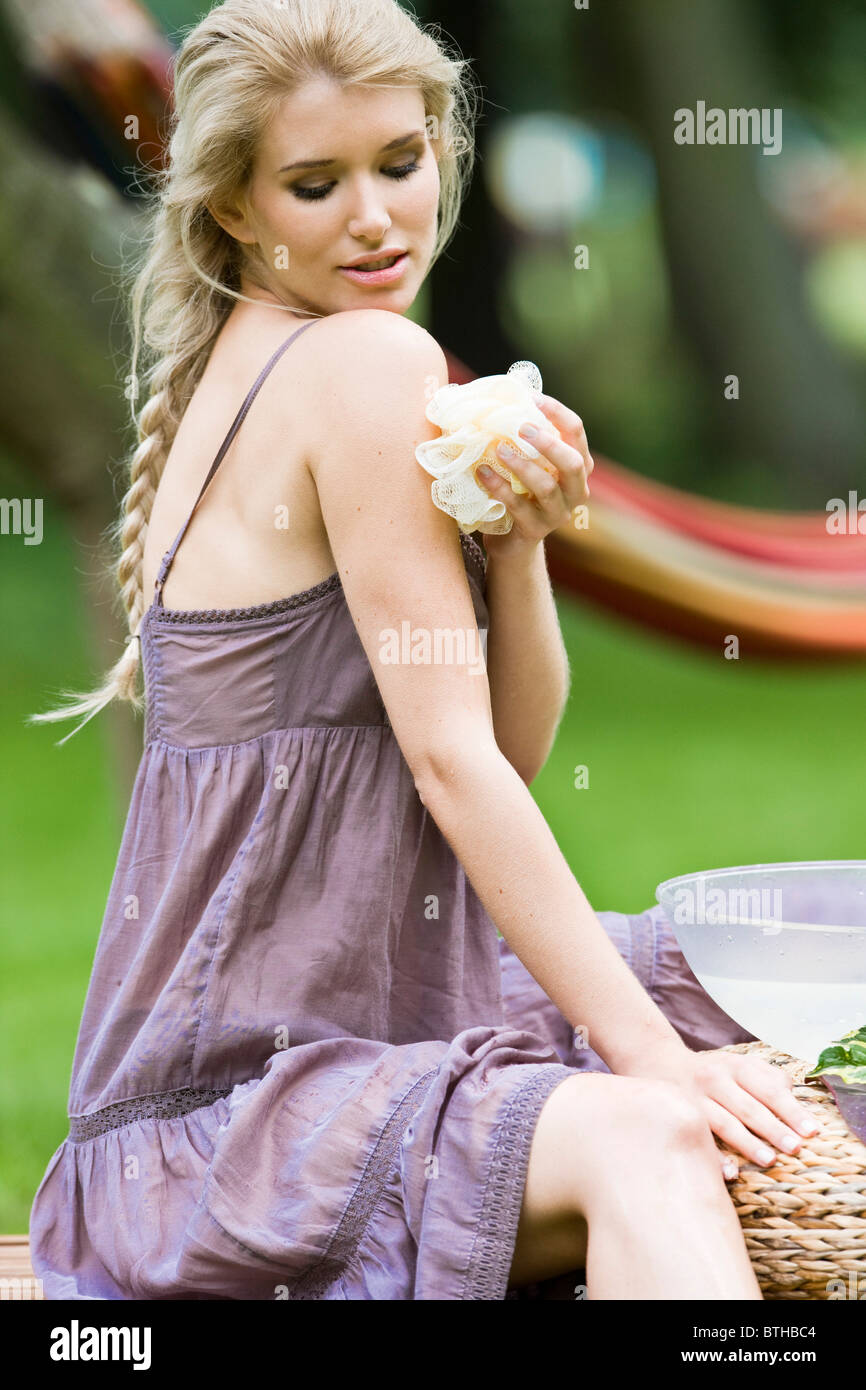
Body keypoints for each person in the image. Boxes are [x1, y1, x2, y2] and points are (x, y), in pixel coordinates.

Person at [27, 0, 819, 1301]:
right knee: (660, 1127)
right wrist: (647, 1060)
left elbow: (504, 745)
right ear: (231, 207)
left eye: (399, 161)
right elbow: (458, 768)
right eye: (313, 183)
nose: (375, 216)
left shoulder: (313, 362)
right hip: (250, 1117)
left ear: (444, 144)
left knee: (778, 1027)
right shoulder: (361, 364)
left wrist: (515, 553)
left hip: (332, 1044)